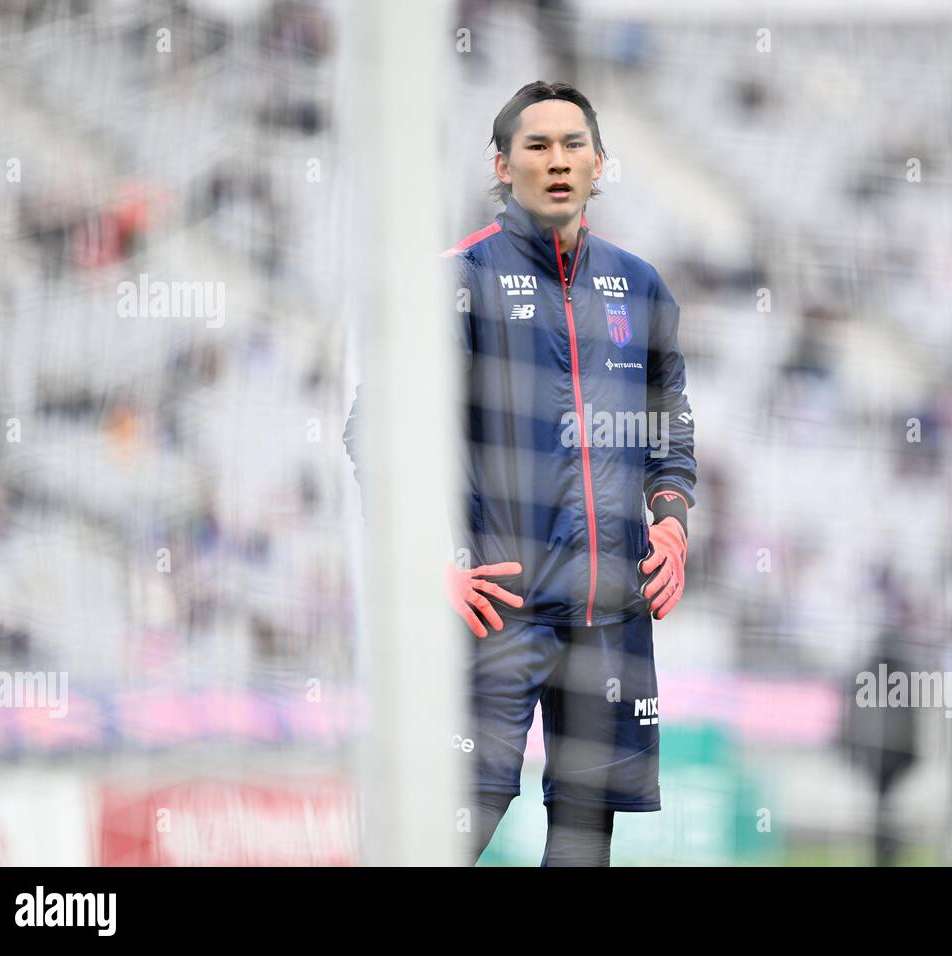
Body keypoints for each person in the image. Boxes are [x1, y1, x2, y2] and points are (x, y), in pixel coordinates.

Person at [343, 81, 697, 866]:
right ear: (502, 166)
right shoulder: (454, 280)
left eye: (574, 145)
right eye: (537, 146)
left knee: (582, 841)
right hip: (494, 609)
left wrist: (671, 522)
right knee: (446, 830)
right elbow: (372, 434)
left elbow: (669, 422)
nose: (558, 161)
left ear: (601, 165)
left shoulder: (639, 287)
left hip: (608, 613)